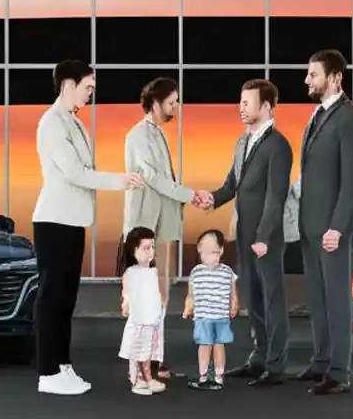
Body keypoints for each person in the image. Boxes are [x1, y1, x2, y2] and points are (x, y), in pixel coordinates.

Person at [32, 59, 144, 396]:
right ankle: (48, 372)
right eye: (88, 87)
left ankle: (63, 365)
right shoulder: (52, 123)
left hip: (72, 220)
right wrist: (121, 180)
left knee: (66, 299)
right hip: (54, 220)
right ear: (68, 84)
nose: (91, 94)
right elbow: (75, 173)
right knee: (52, 298)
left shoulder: (73, 123)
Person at [203, 78, 293, 386]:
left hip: (264, 238)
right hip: (245, 233)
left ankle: (276, 365)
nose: (240, 108)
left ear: (266, 106)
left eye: (246, 102)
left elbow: (276, 196)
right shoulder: (242, 142)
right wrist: (211, 199)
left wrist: (264, 236)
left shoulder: (278, 145)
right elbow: (233, 185)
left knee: (271, 298)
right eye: (240, 102)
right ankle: (259, 357)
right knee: (254, 297)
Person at [120, 76, 211, 382]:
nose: (175, 107)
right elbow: (153, 178)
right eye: (172, 101)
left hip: (162, 226)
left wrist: (186, 198)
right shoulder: (138, 136)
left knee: (161, 295)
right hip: (146, 228)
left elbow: (163, 181)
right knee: (147, 297)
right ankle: (142, 365)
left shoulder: (156, 134)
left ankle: (155, 361)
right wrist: (190, 195)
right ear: (155, 102)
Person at [294, 49, 353, 396]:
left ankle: (339, 372)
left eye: (313, 74)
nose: (307, 80)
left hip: (331, 230)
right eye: (308, 74)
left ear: (335, 77)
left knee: (337, 299)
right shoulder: (317, 116)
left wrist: (338, 227)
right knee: (318, 298)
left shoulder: (350, 119)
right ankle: (321, 361)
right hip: (311, 226)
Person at [182, 228, 239, 390]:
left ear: (221, 251)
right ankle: (203, 374)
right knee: (204, 345)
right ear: (199, 250)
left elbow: (233, 292)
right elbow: (191, 294)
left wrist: (234, 305)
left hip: (221, 317)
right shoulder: (196, 272)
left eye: (213, 252)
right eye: (204, 252)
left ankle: (219, 375)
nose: (209, 256)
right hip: (202, 317)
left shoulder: (227, 272)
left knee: (219, 344)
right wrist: (188, 308)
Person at [119, 226, 167, 396]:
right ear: (134, 250)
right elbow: (127, 293)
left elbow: (156, 293)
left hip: (152, 318)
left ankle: (147, 377)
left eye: (152, 247)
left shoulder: (153, 272)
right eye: (146, 248)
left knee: (148, 350)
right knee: (139, 351)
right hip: (140, 318)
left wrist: (160, 306)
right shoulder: (130, 273)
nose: (151, 252)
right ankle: (139, 379)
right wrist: (126, 303)